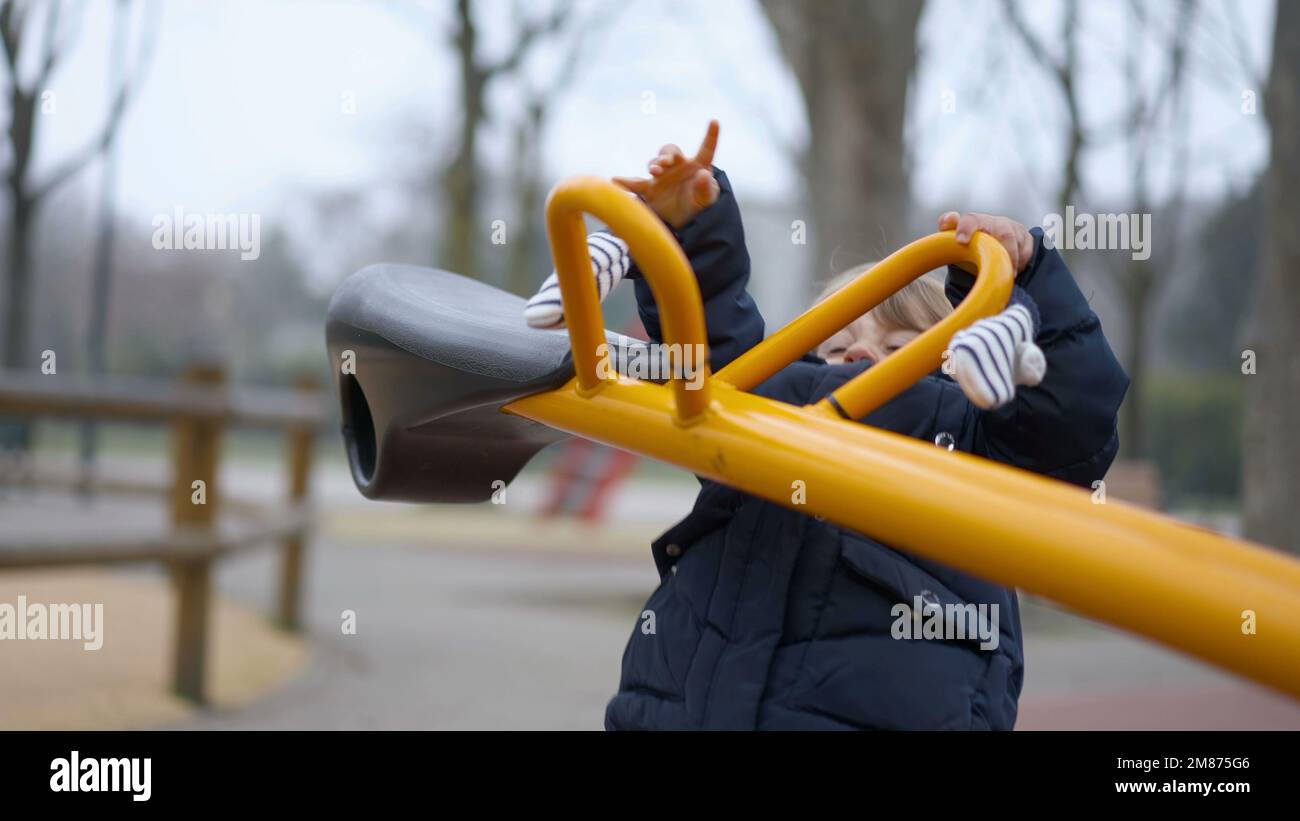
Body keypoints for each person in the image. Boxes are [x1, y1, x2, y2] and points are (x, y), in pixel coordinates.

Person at [532, 121, 1129, 729]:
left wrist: (1028, 275)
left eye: (900, 345)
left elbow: (1067, 422)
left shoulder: (966, 436)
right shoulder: (770, 412)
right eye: (837, 344)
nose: (859, 358)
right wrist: (686, 231)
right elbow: (715, 350)